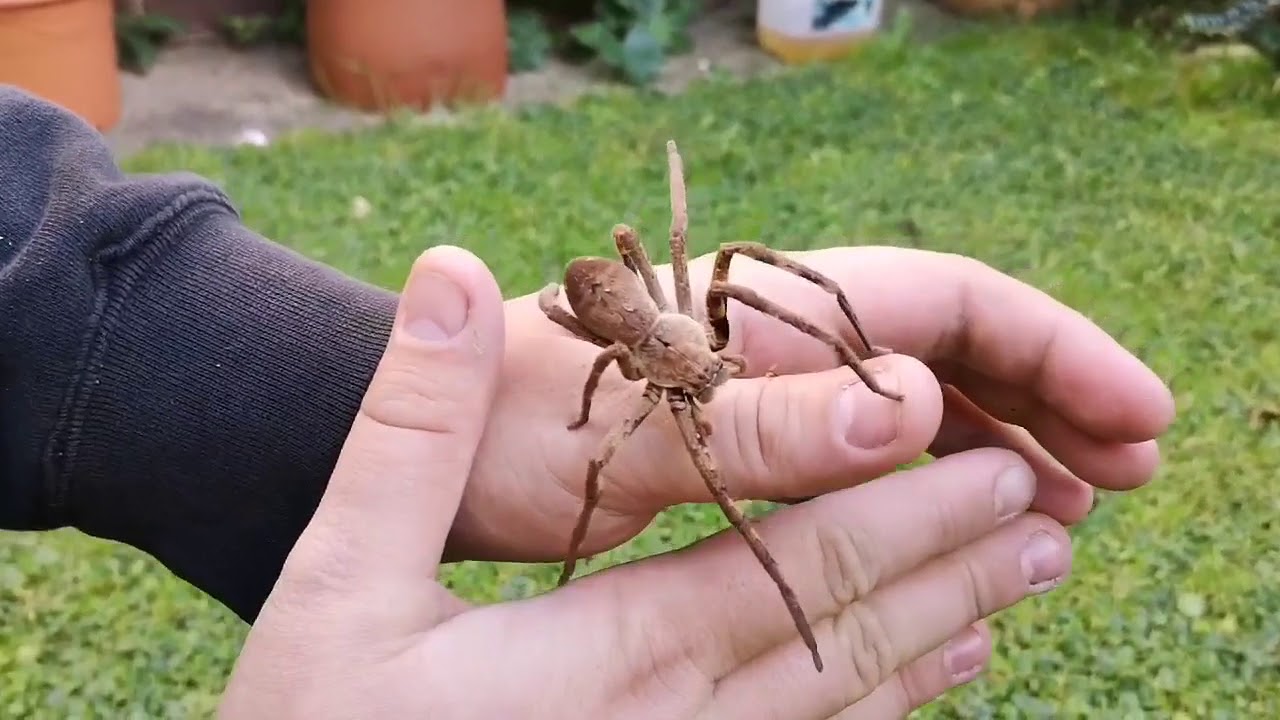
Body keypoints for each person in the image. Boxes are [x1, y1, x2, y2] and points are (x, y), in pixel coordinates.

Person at [0, 85, 1175, 718]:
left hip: (644, 315)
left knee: (739, 262)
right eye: (702, 374)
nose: (715, 378)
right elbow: (614, 445)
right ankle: (660, 570)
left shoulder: (691, 312)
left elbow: (761, 275)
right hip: (616, 331)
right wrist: (576, 429)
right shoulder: (624, 374)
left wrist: (854, 356)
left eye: (708, 365)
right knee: (663, 468)